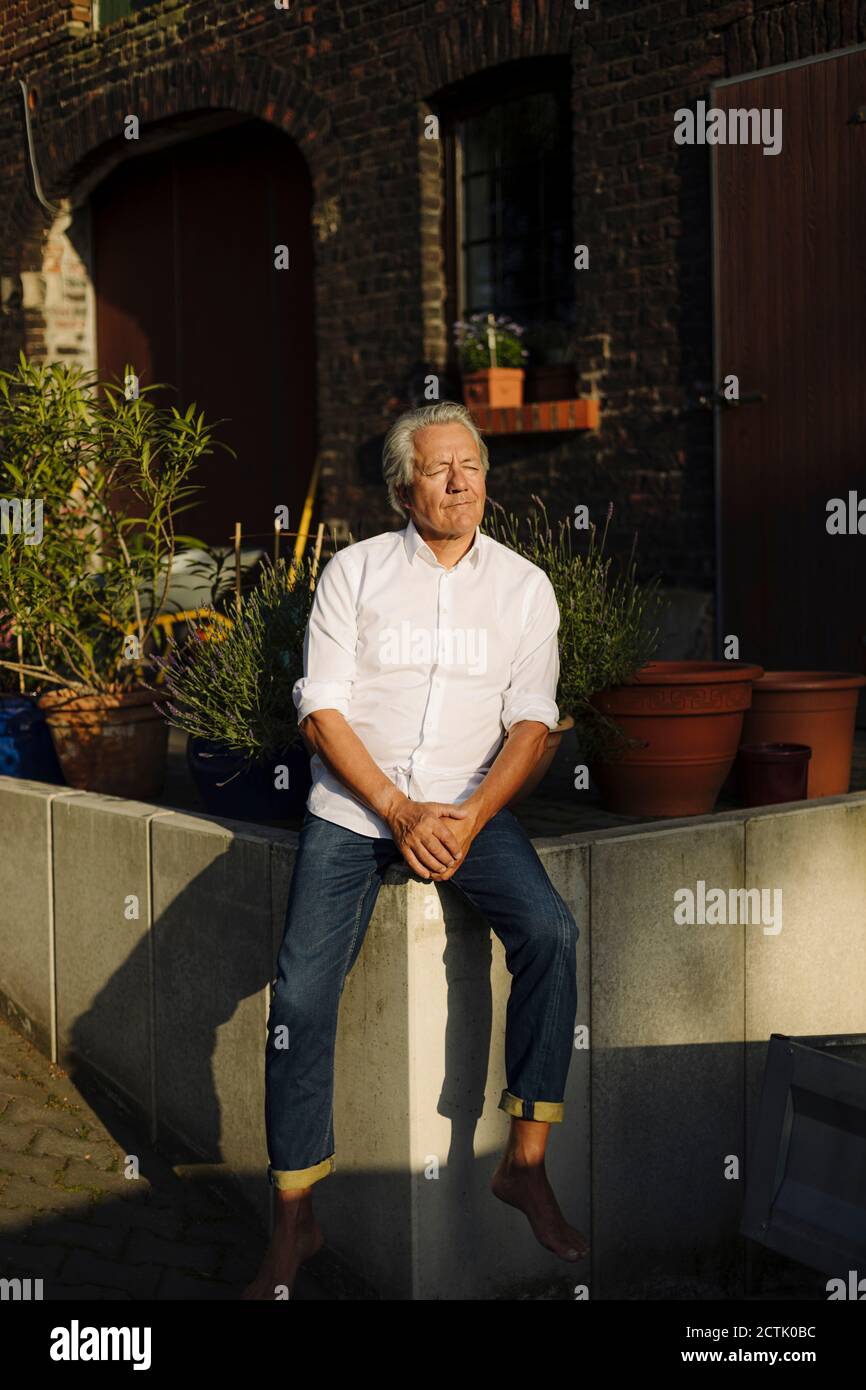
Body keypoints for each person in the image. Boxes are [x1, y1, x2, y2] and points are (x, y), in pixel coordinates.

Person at [242, 401, 587, 1299]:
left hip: (473, 810)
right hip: (359, 811)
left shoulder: (523, 587)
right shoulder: (353, 575)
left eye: (471, 466)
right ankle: (294, 1219)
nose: (460, 482)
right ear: (404, 485)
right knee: (302, 996)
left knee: (551, 933)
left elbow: (533, 723)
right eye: (439, 469)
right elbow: (322, 710)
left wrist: (469, 819)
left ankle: (524, 1161)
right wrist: (395, 807)